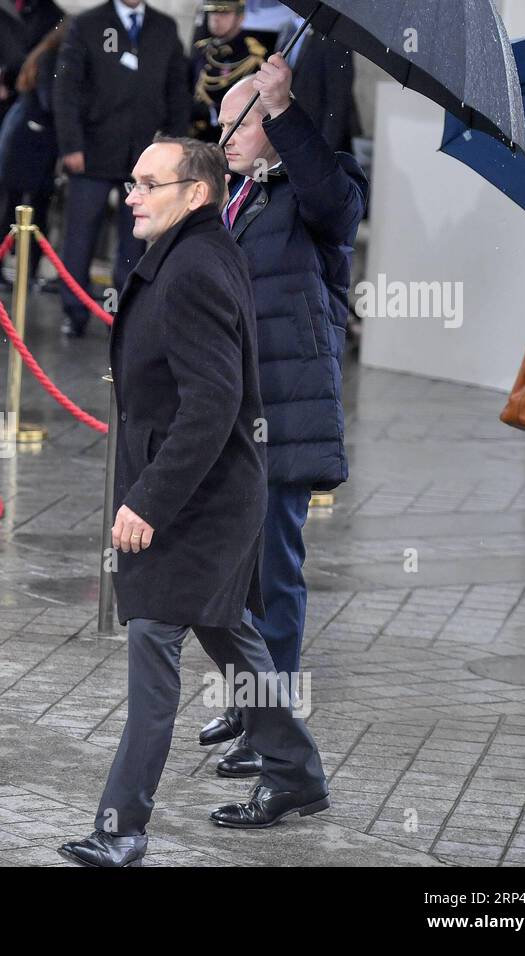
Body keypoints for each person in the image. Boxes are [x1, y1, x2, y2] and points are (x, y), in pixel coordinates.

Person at [58, 137, 328, 868]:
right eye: (134, 181)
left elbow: (212, 403)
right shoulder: (189, 254)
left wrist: (149, 500)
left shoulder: (196, 268)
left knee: (151, 640)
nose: (132, 194)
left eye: (150, 183)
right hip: (205, 490)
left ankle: (122, 827)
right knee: (229, 635)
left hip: (197, 501)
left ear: (196, 193)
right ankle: (298, 776)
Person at [199, 58, 366, 777]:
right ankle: (248, 708)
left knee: (276, 578)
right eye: (221, 122)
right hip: (239, 419)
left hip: (287, 416)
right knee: (238, 578)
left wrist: (286, 106)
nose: (225, 134)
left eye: (241, 120)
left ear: (272, 122)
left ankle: (274, 732)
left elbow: (337, 204)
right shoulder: (241, 199)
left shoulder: (311, 190)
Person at [52, 0, 192, 337]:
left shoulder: (164, 28)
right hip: (93, 153)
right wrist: (71, 145)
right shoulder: (87, 24)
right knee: (81, 233)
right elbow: (66, 89)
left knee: (137, 239)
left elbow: (178, 93)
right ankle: (75, 311)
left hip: (147, 159)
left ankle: (126, 313)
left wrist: (176, 148)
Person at [0, 0, 64, 257]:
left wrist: (6, 74)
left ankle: (8, 249)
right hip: (12, 119)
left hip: (24, 116)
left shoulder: (49, 16)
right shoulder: (1, 9)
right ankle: (3, 247)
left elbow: (30, 62)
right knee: (10, 193)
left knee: (18, 197)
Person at [0, 22, 67, 290]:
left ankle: (26, 273)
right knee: (15, 211)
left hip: (31, 142)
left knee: (33, 212)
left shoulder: (48, 55)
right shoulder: (52, 59)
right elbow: (50, 102)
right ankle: (2, 271)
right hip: (26, 144)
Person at [275, 11, 359, 154]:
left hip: (319, 140)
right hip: (289, 137)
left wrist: (324, 151)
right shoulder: (287, 28)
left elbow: (338, 100)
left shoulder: (333, 34)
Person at [190, 1, 266, 143]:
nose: (216, 18)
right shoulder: (202, 49)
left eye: (224, 13)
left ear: (240, 17)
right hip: (195, 135)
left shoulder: (252, 54)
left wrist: (212, 113)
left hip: (229, 137)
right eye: (212, 12)